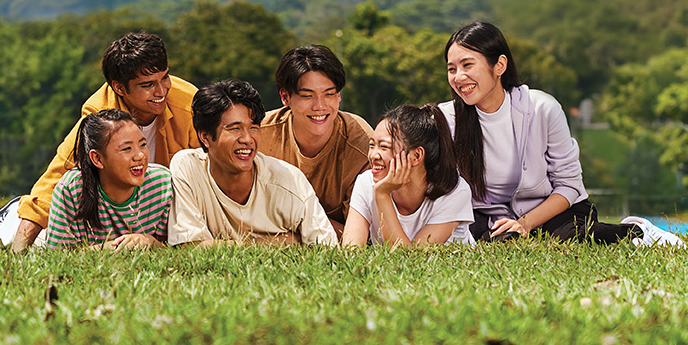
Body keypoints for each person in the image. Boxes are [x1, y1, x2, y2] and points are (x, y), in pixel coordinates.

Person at [439, 21, 684, 246]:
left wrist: (525, 223)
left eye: (468, 65)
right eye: (452, 69)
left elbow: (568, 185)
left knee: (569, 239)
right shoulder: (446, 119)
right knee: (493, 244)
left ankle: (637, 231)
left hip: (555, 211)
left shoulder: (542, 108)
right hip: (493, 218)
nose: (459, 77)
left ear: (499, 65)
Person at [0, 32, 200, 251]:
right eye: (148, 85)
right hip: (105, 209)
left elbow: (208, 171)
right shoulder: (99, 115)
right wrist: (18, 252)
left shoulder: (189, 104)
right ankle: (9, 217)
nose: (161, 90)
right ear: (119, 88)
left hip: (152, 207)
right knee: (36, 242)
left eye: (165, 77)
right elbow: (59, 174)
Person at [168, 79, 338, 247]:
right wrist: (281, 242)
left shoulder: (289, 181)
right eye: (235, 128)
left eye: (253, 128)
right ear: (205, 137)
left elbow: (327, 246)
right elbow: (190, 246)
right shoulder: (188, 167)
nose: (247, 139)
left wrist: (215, 244)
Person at [257, 45, 373, 234]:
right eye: (307, 96)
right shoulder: (259, 136)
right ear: (285, 97)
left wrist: (300, 219)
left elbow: (360, 233)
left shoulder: (362, 144)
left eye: (329, 94)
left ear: (338, 95)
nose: (319, 106)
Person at [36, 109, 172, 250]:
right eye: (127, 148)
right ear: (98, 159)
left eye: (143, 145)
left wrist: (149, 242)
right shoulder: (71, 188)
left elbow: (178, 251)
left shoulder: (162, 184)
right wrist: (109, 248)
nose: (140, 156)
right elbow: (57, 256)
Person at [341, 105, 476, 246]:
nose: (373, 155)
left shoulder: (454, 193)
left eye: (384, 147)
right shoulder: (366, 182)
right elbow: (351, 249)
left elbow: (408, 257)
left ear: (416, 155)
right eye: (371, 145)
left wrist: (382, 194)